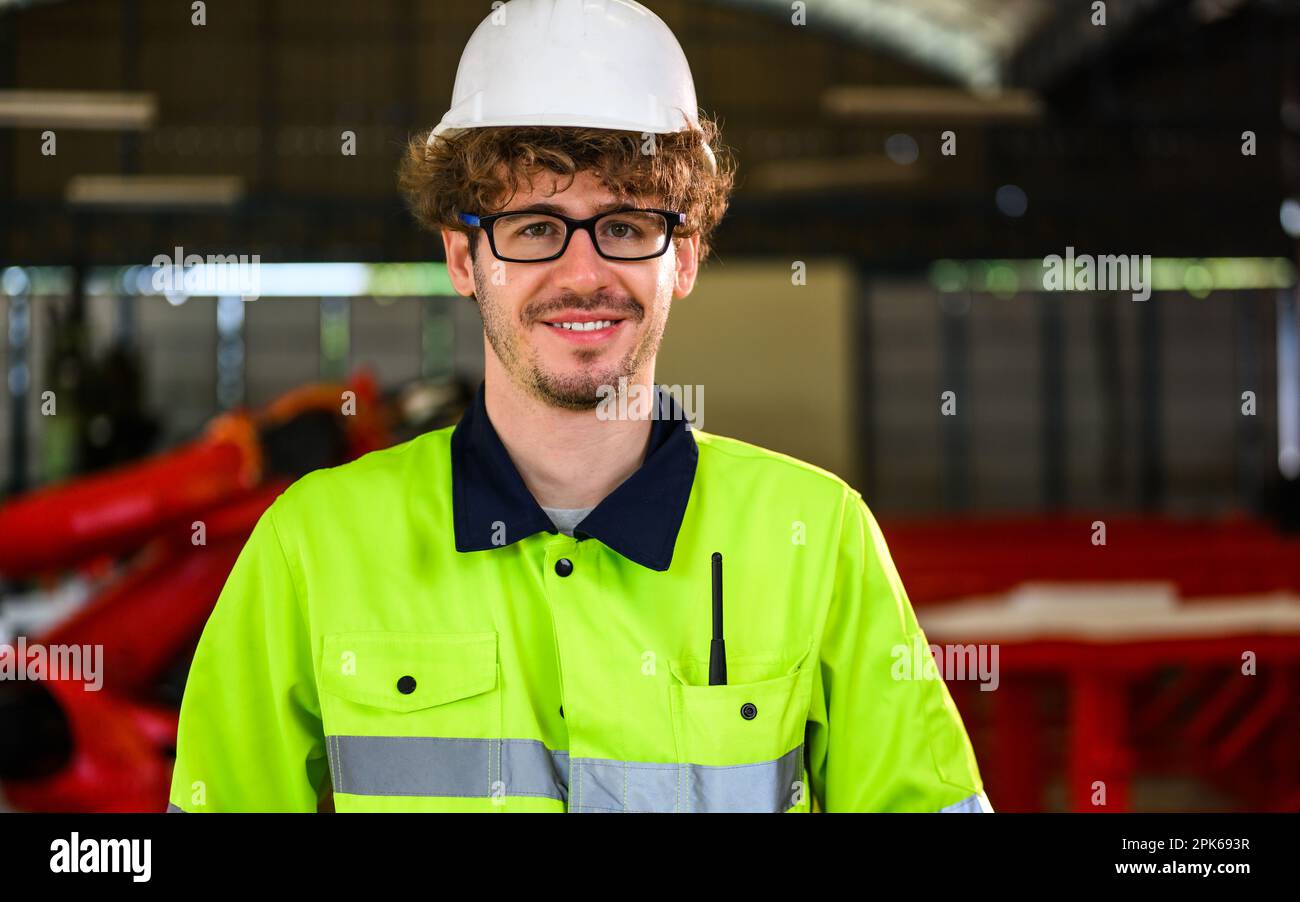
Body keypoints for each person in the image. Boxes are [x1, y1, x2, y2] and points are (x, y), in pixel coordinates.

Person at [167, 0, 990, 813]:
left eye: (627, 226)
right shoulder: (312, 548)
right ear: (463, 256)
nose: (584, 273)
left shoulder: (818, 540)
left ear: (687, 255)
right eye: (533, 227)